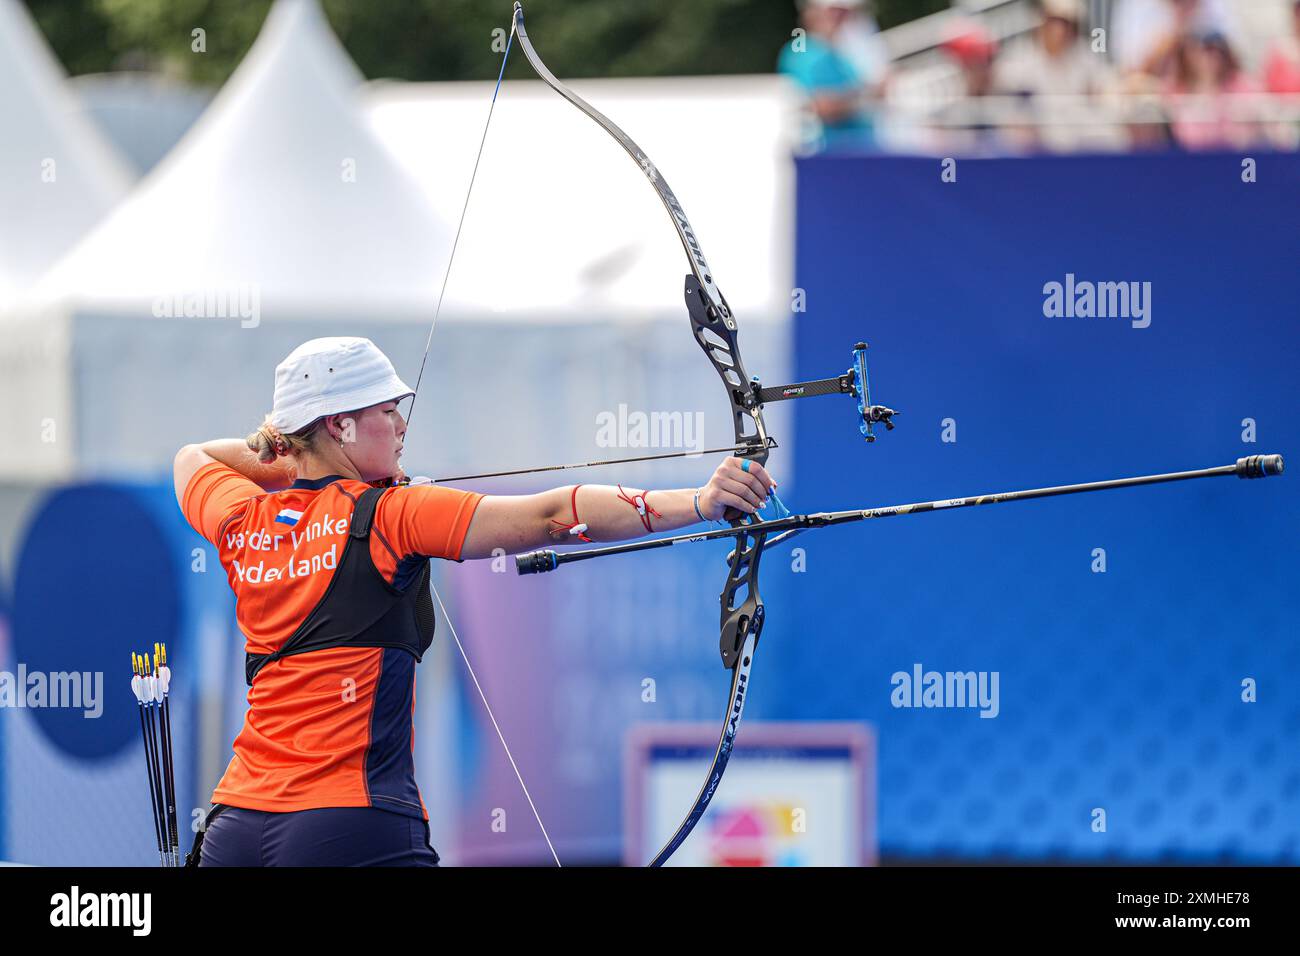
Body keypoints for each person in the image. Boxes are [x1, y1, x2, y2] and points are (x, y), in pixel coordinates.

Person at [173, 336, 777, 866]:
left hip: (236, 827)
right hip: (349, 822)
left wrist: (292, 456)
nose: (402, 425)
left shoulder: (243, 519)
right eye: (387, 410)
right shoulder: (392, 514)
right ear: (339, 425)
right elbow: (551, 514)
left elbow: (192, 457)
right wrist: (698, 503)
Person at [778, 0, 880, 152]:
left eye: (844, 13)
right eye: (834, 12)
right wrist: (864, 98)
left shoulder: (839, 52)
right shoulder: (801, 52)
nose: (842, 18)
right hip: (827, 153)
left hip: (856, 150)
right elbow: (820, 107)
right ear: (812, 14)